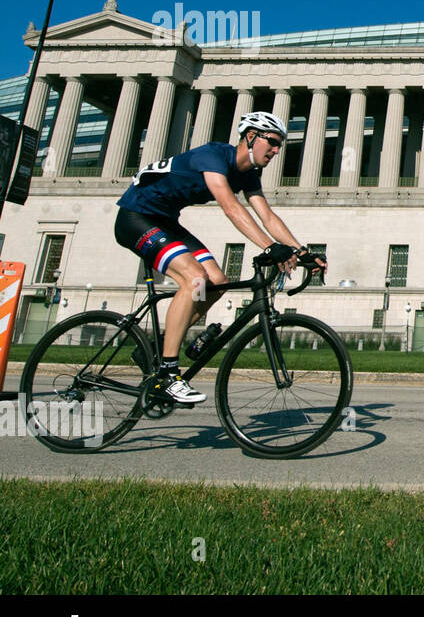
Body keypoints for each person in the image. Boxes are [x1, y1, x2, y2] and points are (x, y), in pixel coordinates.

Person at [114, 111, 325, 404]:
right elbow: (230, 207)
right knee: (194, 278)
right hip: (136, 218)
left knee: (216, 282)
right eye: (273, 142)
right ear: (251, 136)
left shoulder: (248, 173)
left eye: (280, 146)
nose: (276, 151)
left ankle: (159, 348)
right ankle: (168, 374)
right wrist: (268, 247)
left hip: (165, 222)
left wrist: (301, 251)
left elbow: (267, 215)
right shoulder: (213, 156)